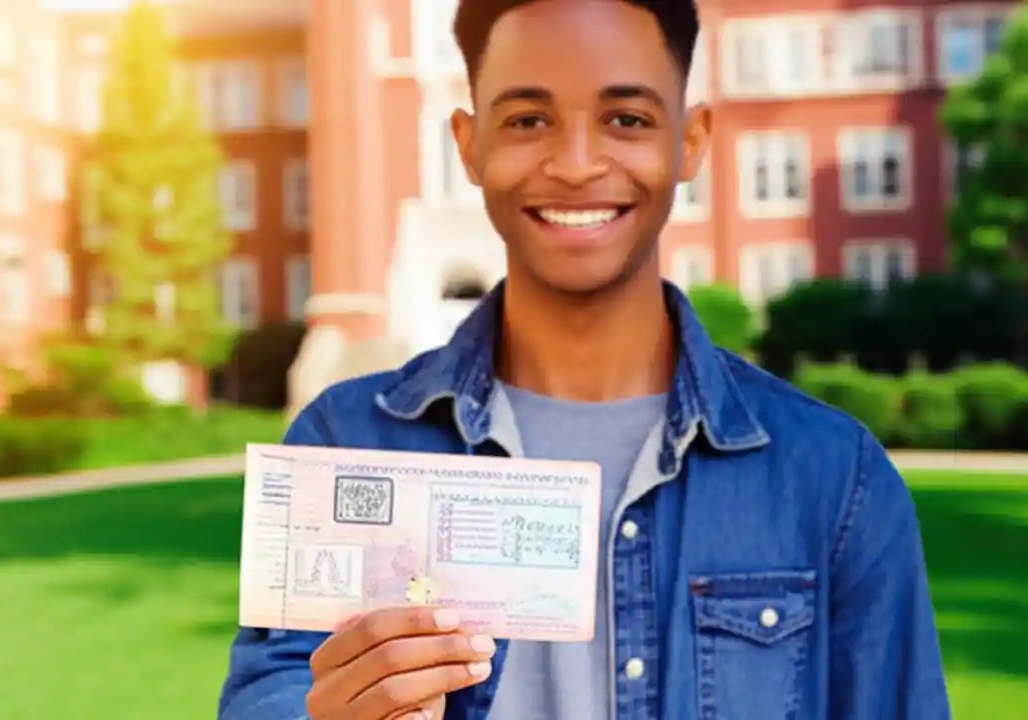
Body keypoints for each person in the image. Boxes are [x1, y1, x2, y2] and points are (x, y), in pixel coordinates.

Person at [216, 0, 951, 718]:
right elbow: (268, 694)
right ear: (467, 145)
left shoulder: (832, 479)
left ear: (689, 141)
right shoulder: (347, 445)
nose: (574, 164)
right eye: (528, 120)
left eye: (625, 119)